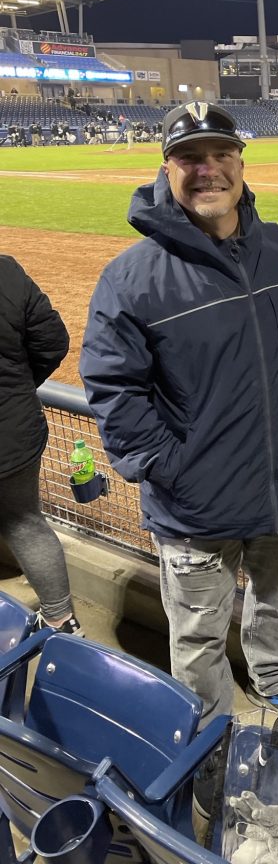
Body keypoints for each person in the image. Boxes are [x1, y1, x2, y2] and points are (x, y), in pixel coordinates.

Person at [80, 102, 278, 754]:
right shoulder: (132, 278)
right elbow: (112, 386)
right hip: (195, 507)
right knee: (197, 636)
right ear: (167, 168)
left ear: (242, 162)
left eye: (221, 154)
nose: (207, 169)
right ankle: (209, 739)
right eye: (190, 157)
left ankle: (273, 683)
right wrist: (173, 468)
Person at [0, 256, 82, 635]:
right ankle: (63, 622)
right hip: (13, 433)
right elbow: (52, 341)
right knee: (26, 524)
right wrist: (18, 389)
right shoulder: (5, 270)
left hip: (13, 430)